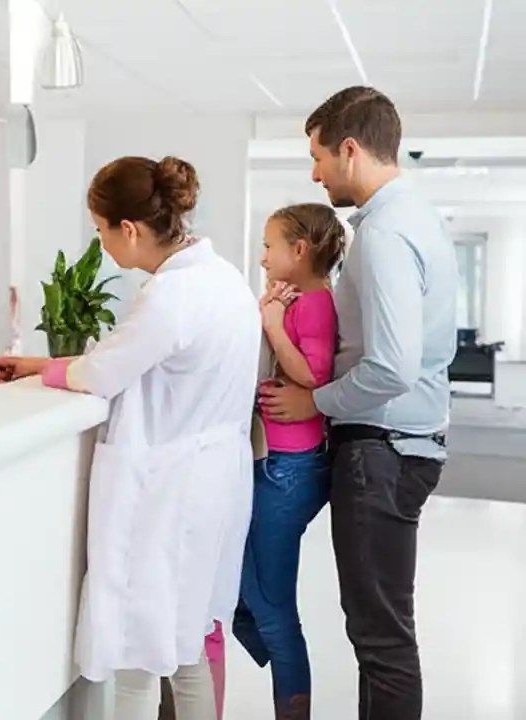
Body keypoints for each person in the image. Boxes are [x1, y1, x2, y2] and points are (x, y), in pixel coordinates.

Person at [0, 156, 259, 720]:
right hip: (211, 485)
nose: (102, 243)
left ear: (130, 230)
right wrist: (44, 362)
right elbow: (135, 357)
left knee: (139, 651)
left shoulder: (169, 295)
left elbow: (102, 373)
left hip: (166, 491)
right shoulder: (226, 280)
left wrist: (50, 371)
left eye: (101, 230)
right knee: (187, 643)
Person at [259, 87, 457, 720]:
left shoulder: (386, 234)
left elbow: (391, 366)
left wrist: (317, 397)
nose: (314, 174)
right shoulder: (411, 218)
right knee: (378, 636)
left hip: (383, 451)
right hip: (402, 448)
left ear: (349, 149)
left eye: (318, 157)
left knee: (380, 640)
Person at [233, 204, 345, 720]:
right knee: (243, 586)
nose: (262, 256)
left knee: (273, 607)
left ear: (299, 252)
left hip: (289, 469)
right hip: (271, 461)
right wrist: (271, 314)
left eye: (269, 246)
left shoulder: (317, 303)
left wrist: (275, 324)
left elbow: (315, 375)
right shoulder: (296, 299)